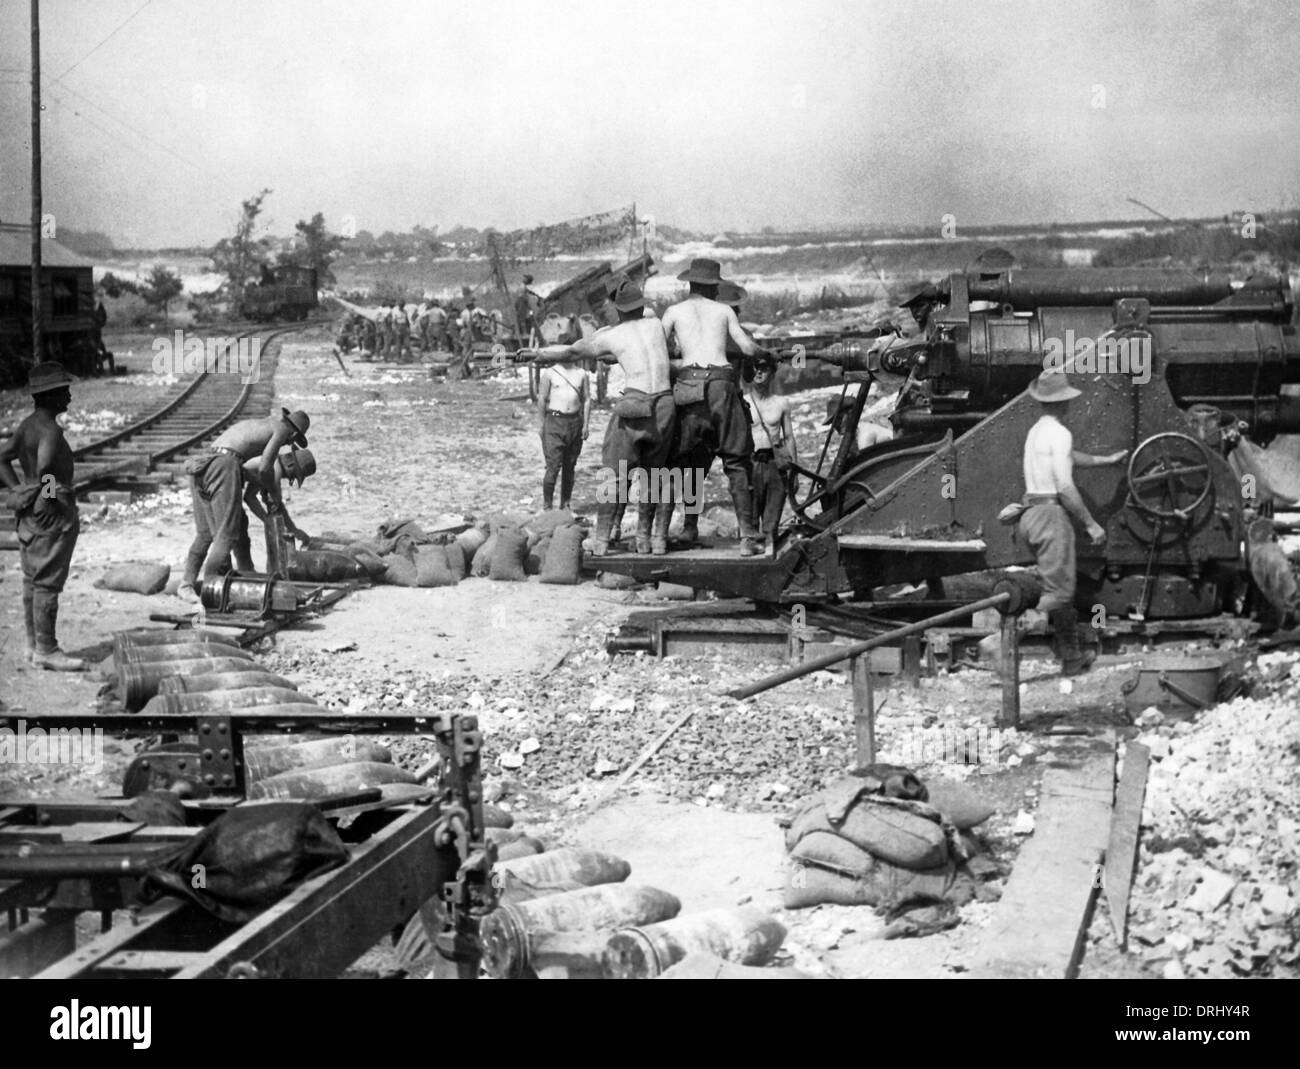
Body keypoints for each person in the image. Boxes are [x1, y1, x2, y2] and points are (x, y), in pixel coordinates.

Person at [535, 281, 674, 555]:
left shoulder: (613, 335)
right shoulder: (656, 325)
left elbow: (574, 351)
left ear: (618, 309)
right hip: (666, 404)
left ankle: (601, 541)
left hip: (637, 403)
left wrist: (539, 354)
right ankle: (650, 539)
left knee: (613, 473)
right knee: (655, 474)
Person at [1018, 370, 1127, 675]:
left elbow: (1068, 458)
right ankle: (999, 640)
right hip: (1051, 516)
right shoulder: (1061, 434)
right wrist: (1091, 523)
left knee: (1060, 588)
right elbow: (1065, 486)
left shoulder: (1037, 431)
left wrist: (1105, 461)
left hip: (1030, 515)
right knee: (1061, 594)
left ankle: (1071, 657)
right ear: (1063, 402)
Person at [662, 258, 773, 557]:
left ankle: (677, 531)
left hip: (688, 386)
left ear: (690, 283)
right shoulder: (724, 311)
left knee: (685, 464)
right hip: (723, 387)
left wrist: (682, 364)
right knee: (737, 463)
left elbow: (659, 351)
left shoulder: (674, 312)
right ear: (714, 285)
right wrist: (769, 354)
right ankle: (748, 536)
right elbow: (750, 350)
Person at [0, 363, 86, 669]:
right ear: (50, 396)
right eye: (65, 391)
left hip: (31, 509)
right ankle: (47, 650)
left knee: (32, 578)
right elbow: (46, 466)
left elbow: (3, 458)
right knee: (47, 579)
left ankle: (32, 645)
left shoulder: (26, 425)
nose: (69, 397)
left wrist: (20, 489)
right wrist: (49, 497)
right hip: (49, 510)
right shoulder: (51, 429)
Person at [178, 409, 311, 600]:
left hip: (203, 461)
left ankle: (186, 584)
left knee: (207, 533)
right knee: (228, 534)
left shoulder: (264, 423)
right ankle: (211, 588)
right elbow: (265, 467)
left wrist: (269, 512)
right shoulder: (281, 430)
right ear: (294, 434)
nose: (288, 444)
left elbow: (255, 485)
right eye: (292, 441)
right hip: (224, 464)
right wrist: (273, 494)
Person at [744, 352, 796, 554]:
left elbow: (789, 437)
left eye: (764, 368)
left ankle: (769, 549)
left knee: (773, 513)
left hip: (774, 463)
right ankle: (752, 548)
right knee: (751, 511)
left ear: (772, 373)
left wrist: (794, 470)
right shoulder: (743, 402)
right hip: (751, 462)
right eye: (755, 368)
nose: (759, 372)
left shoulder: (781, 403)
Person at [243, 448, 316, 572]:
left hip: (230, 477)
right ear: (290, 465)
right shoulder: (273, 467)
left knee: (240, 535)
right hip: (226, 475)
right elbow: (276, 505)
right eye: (292, 475)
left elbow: (249, 497)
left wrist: (266, 519)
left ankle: (251, 572)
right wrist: (294, 530)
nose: (288, 479)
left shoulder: (266, 467)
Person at [536, 352, 591, 511]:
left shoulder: (582, 374)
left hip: (574, 422)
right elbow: (542, 399)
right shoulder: (550, 373)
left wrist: (586, 424)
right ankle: (547, 506)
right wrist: (541, 426)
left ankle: (565, 503)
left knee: (570, 467)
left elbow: (587, 399)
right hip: (554, 422)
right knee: (552, 467)